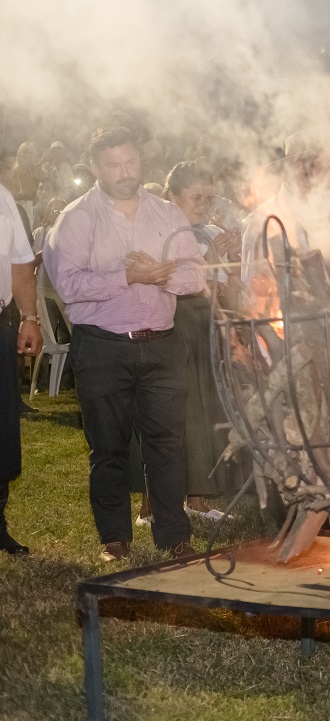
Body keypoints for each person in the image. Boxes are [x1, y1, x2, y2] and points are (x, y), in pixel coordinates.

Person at [44, 127, 205, 561]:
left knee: (168, 443)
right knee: (108, 446)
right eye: (113, 164)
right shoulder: (77, 218)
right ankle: (114, 539)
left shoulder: (168, 214)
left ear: (141, 161)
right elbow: (68, 284)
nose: (124, 172)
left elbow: (197, 274)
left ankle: (175, 537)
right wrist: (128, 276)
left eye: (130, 162)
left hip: (162, 343)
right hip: (102, 347)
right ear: (95, 167)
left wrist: (162, 274)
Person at [165, 161, 241, 520]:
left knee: (203, 410)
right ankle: (159, 501)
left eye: (209, 198)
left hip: (203, 323)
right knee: (176, 413)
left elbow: (219, 289)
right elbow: (176, 279)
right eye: (196, 197)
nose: (203, 205)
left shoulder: (208, 232)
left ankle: (197, 498)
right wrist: (210, 260)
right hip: (173, 322)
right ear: (172, 196)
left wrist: (223, 259)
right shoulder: (159, 230)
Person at [0, 182, 41, 556]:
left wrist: (30, 317)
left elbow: (19, 263)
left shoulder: (3, 197)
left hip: (0, 321)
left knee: (1, 429)